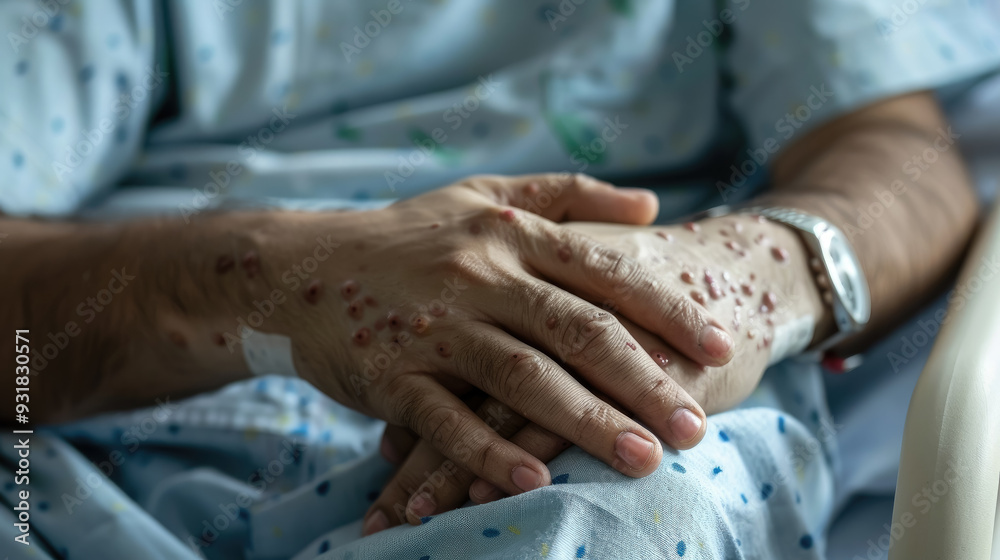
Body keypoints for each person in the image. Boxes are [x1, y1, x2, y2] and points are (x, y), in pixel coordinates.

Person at [1, 1, 997, 558]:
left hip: (591, 417)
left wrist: (730, 283)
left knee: (636, 505)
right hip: (84, 439)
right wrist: (278, 285)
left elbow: (896, 163)